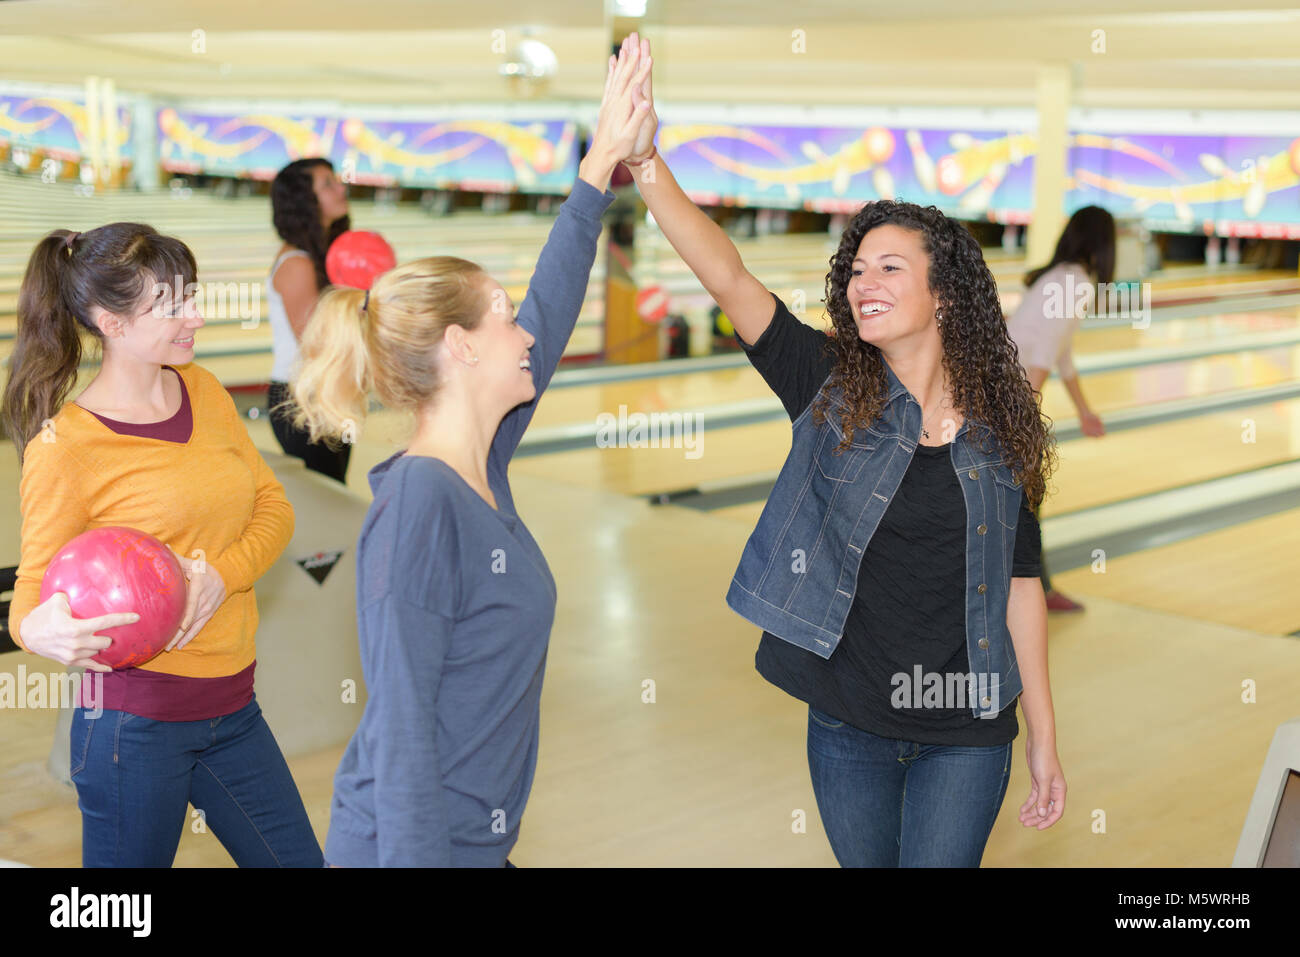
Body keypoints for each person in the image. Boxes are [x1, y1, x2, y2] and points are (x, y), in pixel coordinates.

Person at [622, 35, 1065, 866]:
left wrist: (1043, 732)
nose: (866, 282)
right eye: (858, 268)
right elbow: (729, 278)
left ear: (945, 294)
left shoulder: (1006, 428)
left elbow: (1020, 584)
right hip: (849, 720)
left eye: (891, 268)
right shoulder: (827, 384)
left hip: (968, 727)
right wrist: (646, 160)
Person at [284, 38, 651, 867]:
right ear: (462, 346)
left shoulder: (481, 468)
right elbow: (403, 733)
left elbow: (551, 314)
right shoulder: (418, 505)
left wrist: (599, 169)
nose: (527, 332)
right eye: (505, 317)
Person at [1, 223, 321, 867]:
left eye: (192, 297)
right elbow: (30, 599)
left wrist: (220, 575)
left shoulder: (203, 390)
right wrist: (44, 634)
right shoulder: (68, 449)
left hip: (233, 709)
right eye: (171, 306)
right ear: (108, 320)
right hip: (132, 727)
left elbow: (274, 505)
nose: (195, 317)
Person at [1007, 205, 1115, 613]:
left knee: (1026, 497)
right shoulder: (1074, 283)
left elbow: (1061, 351)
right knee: (1025, 496)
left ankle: (1037, 587)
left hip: (1003, 391)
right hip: (1009, 397)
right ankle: (1033, 589)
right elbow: (1044, 353)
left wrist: (1085, 411)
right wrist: (1023, 419)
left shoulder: (1066, 278)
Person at [267, 157, 352, 483]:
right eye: (327, 184)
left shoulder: (319, 256)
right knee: (329, 494)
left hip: (323, 393)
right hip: (301, 400)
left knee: (334, 487)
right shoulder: (298, 263)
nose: (340, 187)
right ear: (305, 201)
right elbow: (316, 342)